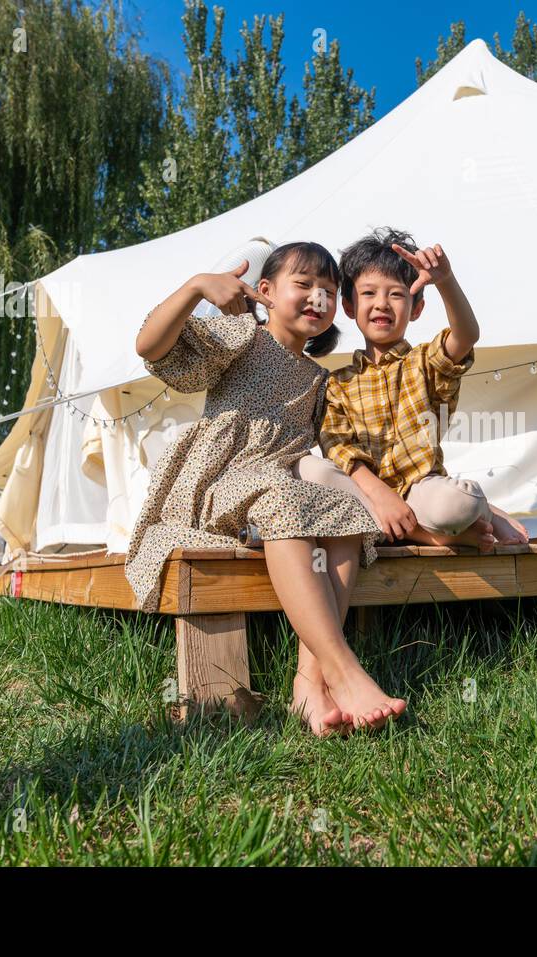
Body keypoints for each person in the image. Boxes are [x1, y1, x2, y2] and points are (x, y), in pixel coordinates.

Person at [126, 242, 406, 735]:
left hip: (277, 488)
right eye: (304, 285)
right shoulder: (242, 340)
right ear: (265, 292)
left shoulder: (320, 380)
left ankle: (309, 682)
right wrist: (196, 286)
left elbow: (337, 452)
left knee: (345, 515)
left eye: (327, 289)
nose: (317, 297)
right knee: (285, 497)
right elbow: (149, 347)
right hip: (221, 481)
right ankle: (344, 669)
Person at [318, 227, 529, 549]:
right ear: (349, 306)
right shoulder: (337, 383)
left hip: (421, 489)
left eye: (396, 294)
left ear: (416, 309)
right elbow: (338, 448)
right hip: (367, 493)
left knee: (456, 505)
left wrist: (445, 281)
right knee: (317, 478)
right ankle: (438, 537)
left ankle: (477, 511)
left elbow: (466, 335)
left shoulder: (423, 362)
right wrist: (381, 496)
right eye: (369, 293)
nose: (382, 304)